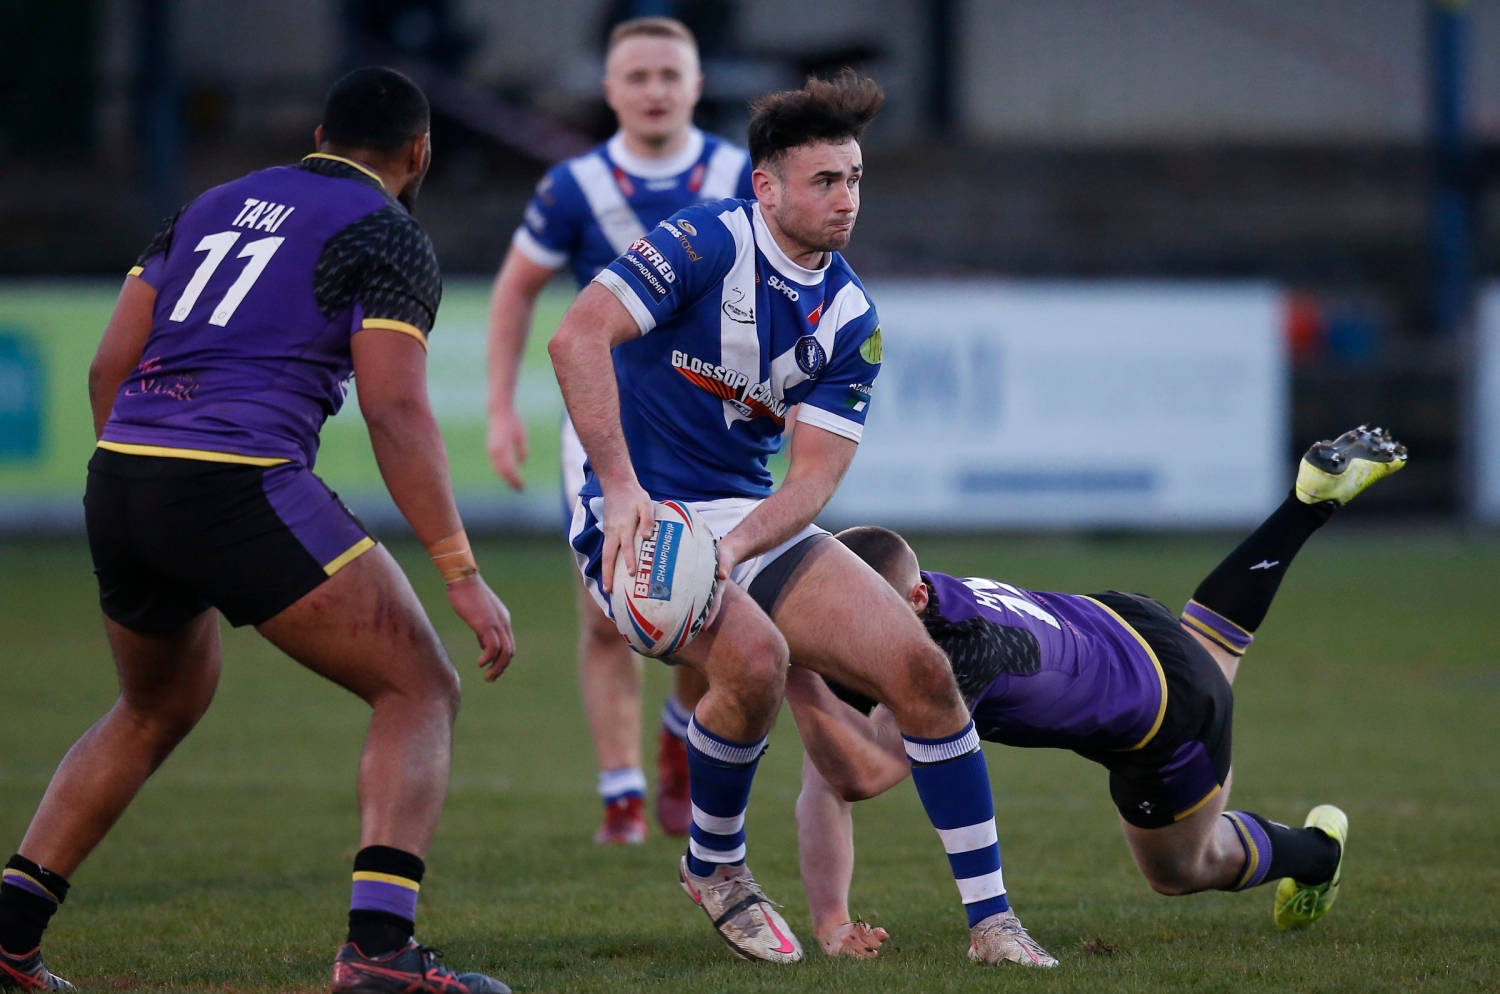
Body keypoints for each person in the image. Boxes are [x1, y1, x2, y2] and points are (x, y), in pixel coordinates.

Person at [0, 68, 516, 994]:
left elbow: (112, 361)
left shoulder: (211, 204)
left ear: (318, 133)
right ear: (420, 153)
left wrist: (148, 483)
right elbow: (396, 410)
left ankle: (7, 933)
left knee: (154, 707)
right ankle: (379, 954)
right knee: (420, 689)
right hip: (237, 480)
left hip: (121, 473)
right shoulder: (388, 234)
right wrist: (461, 570)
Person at [548, 69, 1048, 967]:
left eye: (855, 178)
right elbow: (575, 336)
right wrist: (621, 491)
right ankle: (718, 869)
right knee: (757, 661)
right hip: (631, 513)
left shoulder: (851, 315)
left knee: (921, 670)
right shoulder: (703, 241)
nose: (846, 199)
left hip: (740, 515)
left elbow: (814, 479)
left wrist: (734, 545)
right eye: (826, 180)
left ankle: (993, 924)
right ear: (766, 186)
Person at [788, 426, 1408, 962]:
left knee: (1181, 868)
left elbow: (858, 775)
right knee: (1212, 647)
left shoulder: (953, 657)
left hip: (1167, 716)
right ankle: (1307, 504)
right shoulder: (897, 600)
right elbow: (827, 774)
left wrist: (797, 679)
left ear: (917, 599)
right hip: (1123, 622)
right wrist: (832, 924)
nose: (857, 630)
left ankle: (1319, 853)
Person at [486, 15, 754, 845]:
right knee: (607, 613)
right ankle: (622, 795)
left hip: (710, 429)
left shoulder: (741, 174)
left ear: (697, 85)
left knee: (708, 605)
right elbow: (516, 291)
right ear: (610, 92)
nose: (654, 91)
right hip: (605, 427)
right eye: (636, 77)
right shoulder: (574, 186)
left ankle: (679, 740)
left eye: (669, 75)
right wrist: (502, 406)